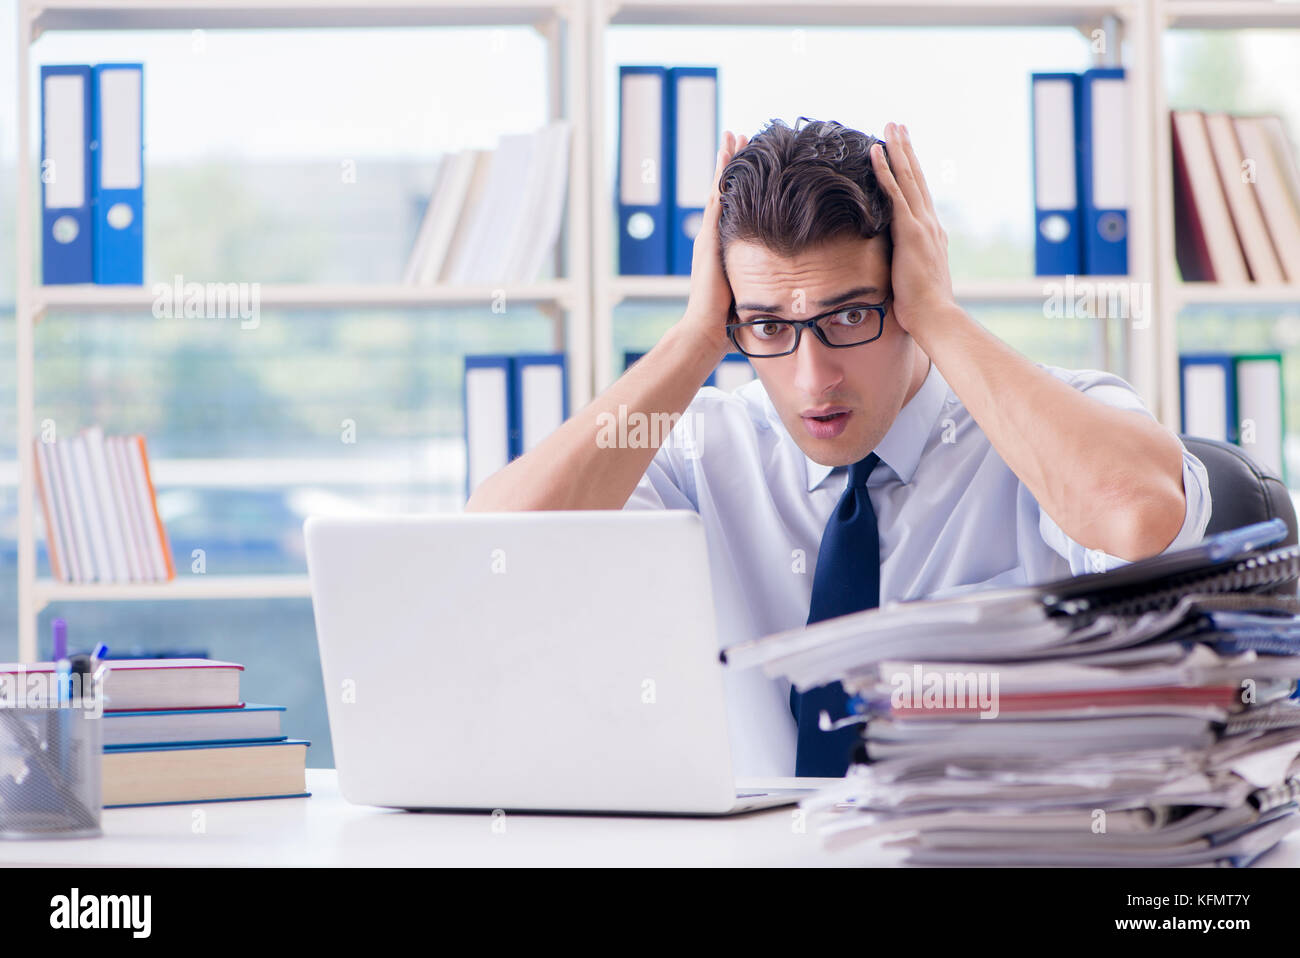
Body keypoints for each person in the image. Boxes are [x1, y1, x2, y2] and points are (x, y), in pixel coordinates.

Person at [467, 116, 1211, 778]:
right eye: (767, 327)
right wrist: (695, 338)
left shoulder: (1050, 420)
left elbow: (1138, 515)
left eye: (851, 315)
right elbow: (490, 560)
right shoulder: (703, 448)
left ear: (909, 286)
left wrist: (942, 318)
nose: (811, 377)